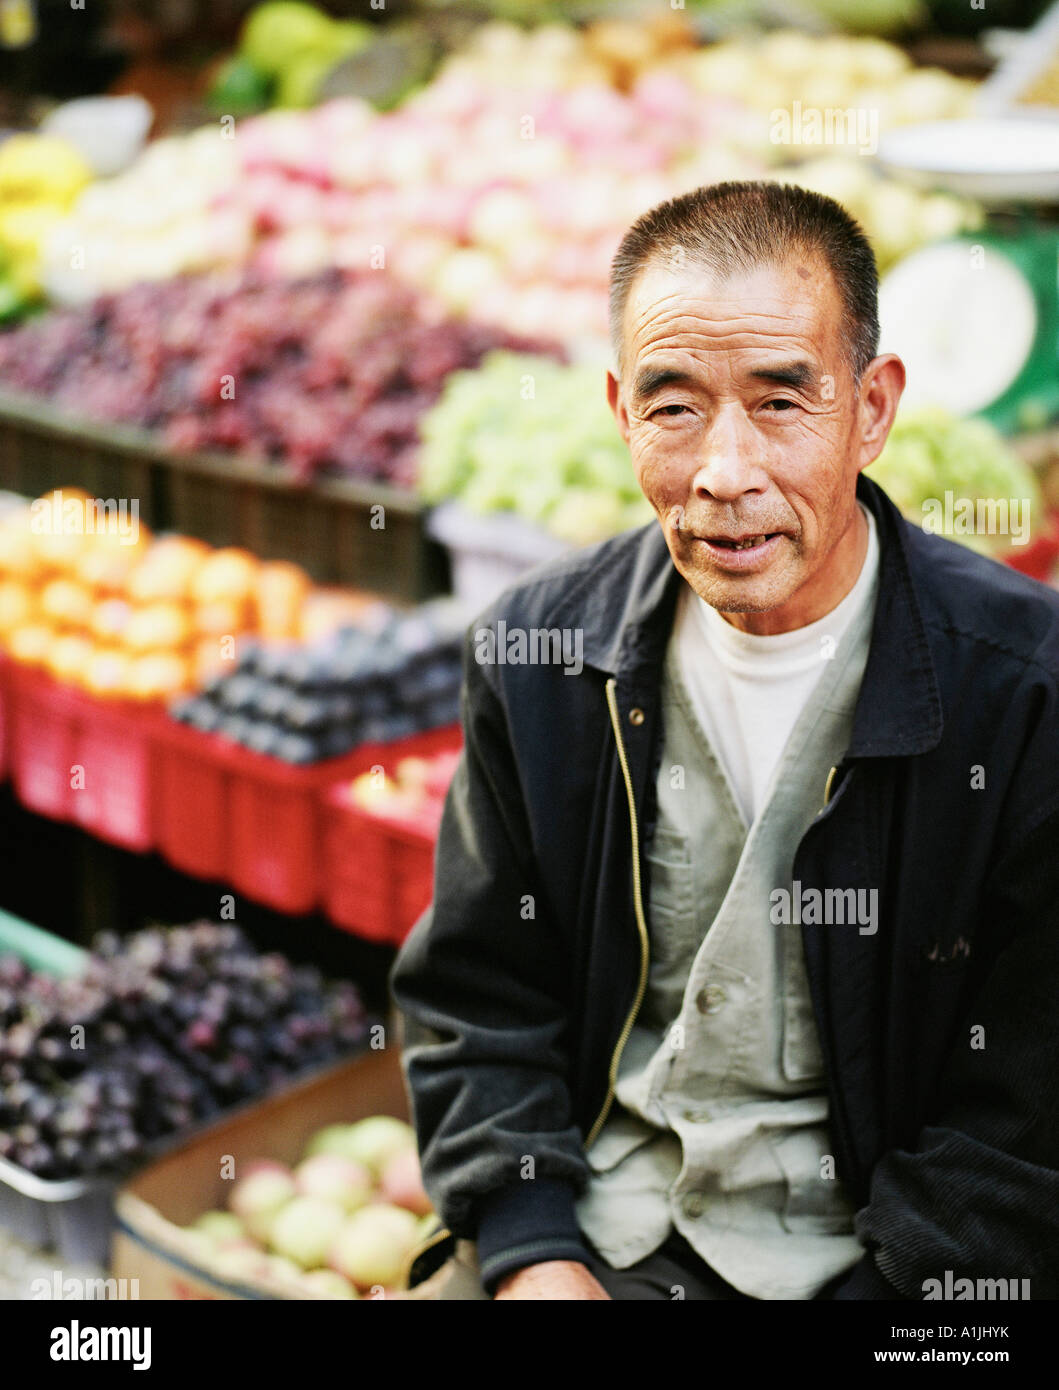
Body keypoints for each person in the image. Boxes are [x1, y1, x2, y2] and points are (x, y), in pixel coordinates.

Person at [390, 181, 1059, 1301]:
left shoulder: (1025, 693)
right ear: (619, 412)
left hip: (892, 1256)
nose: (725, 472)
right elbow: (477, 1000)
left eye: (782, 402)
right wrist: (530, 1248)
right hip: (606, 1210)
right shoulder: (540, 651)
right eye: (675, 406)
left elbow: (1029, 1116)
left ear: (875, 409)